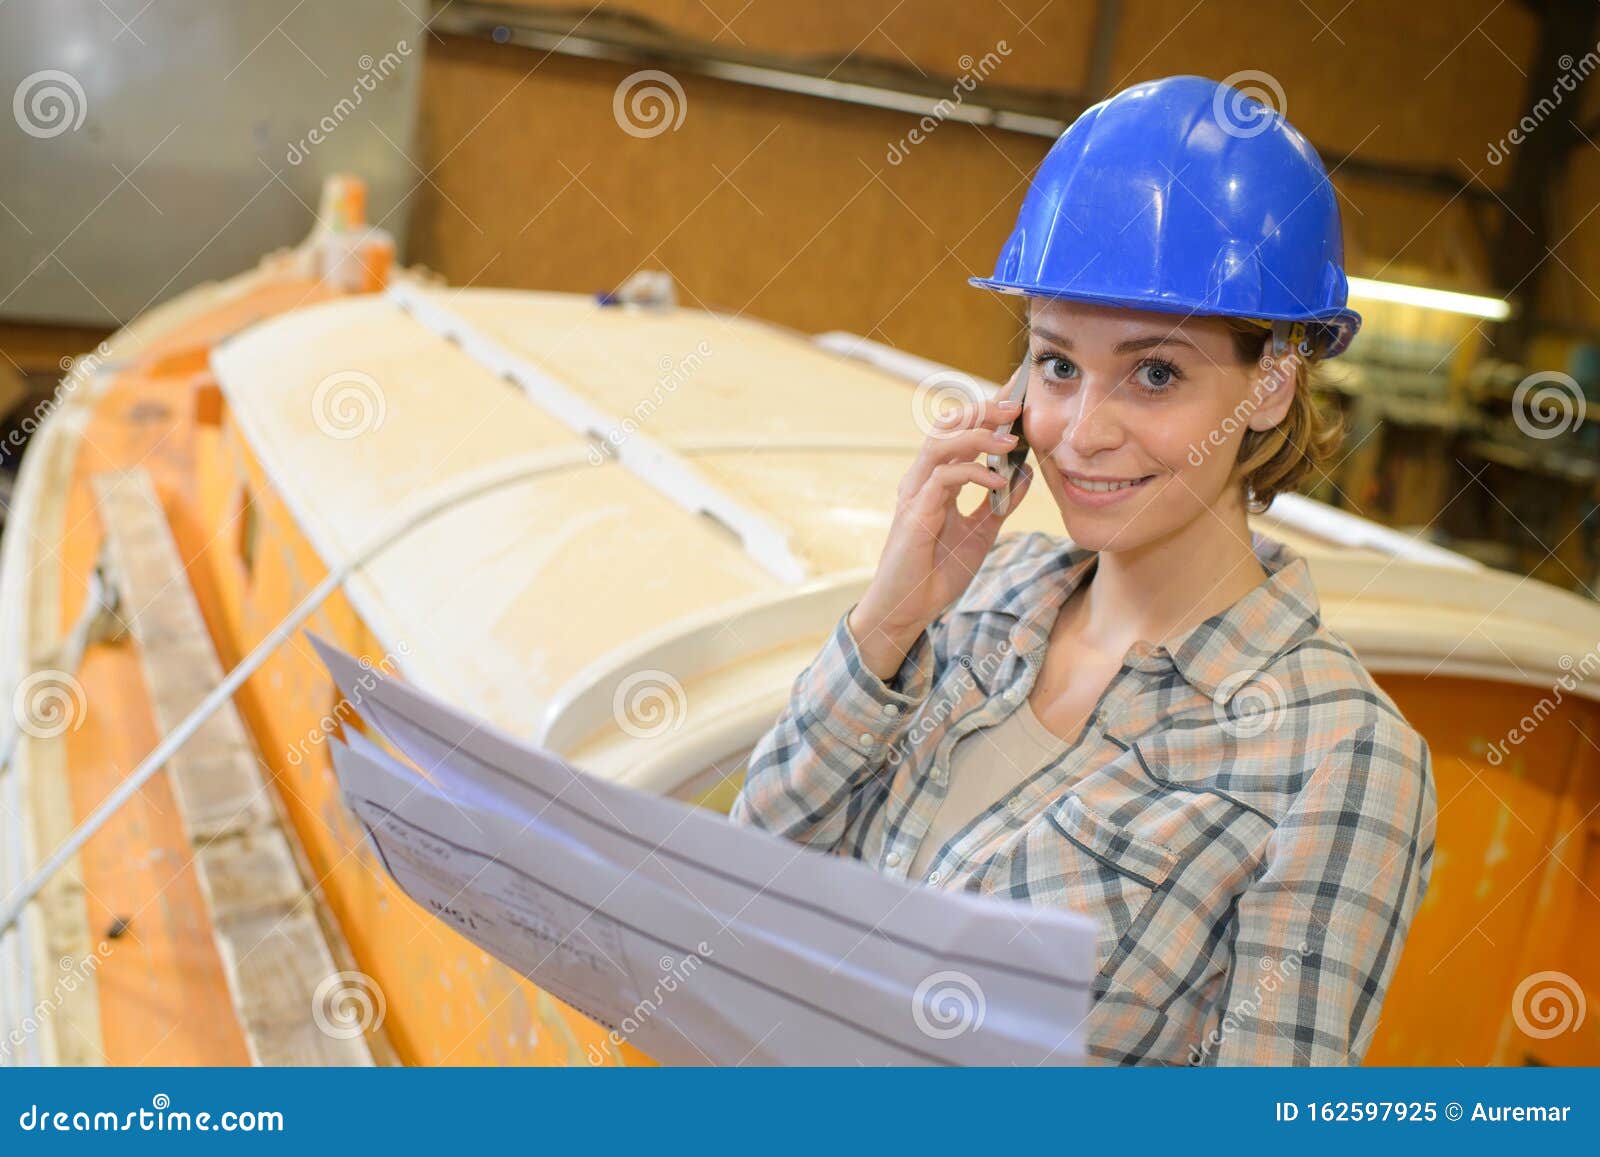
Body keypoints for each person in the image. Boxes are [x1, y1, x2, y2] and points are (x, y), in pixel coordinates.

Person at [728, 74, 1436, 1066]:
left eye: (1154, 372)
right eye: (1056, 363)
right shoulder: (982, 599)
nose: (1080, 432)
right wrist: (889, 615)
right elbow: (750, 886)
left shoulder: (1336, 756)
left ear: (1270, 383)